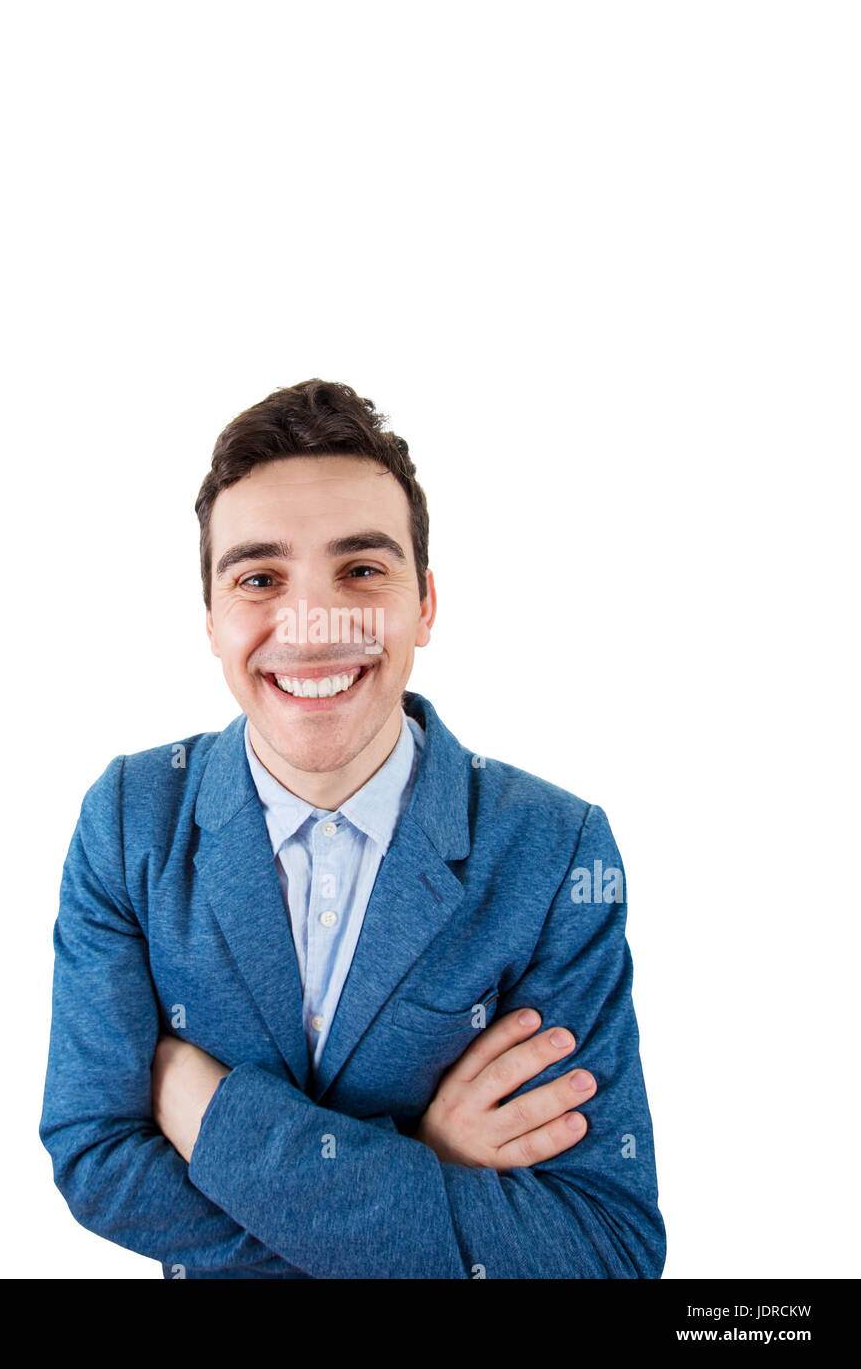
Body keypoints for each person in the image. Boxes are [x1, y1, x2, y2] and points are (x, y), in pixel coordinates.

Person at [38, 379, 667, 1279]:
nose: (310, 625)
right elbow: (96, 1163)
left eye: (361, 571)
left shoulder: (552, 847)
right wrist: (426, 1160)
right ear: (211, 621)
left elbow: (605, 1246)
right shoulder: (131, 818)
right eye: (259, 578)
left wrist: (204, 1110)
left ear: (425, 605)